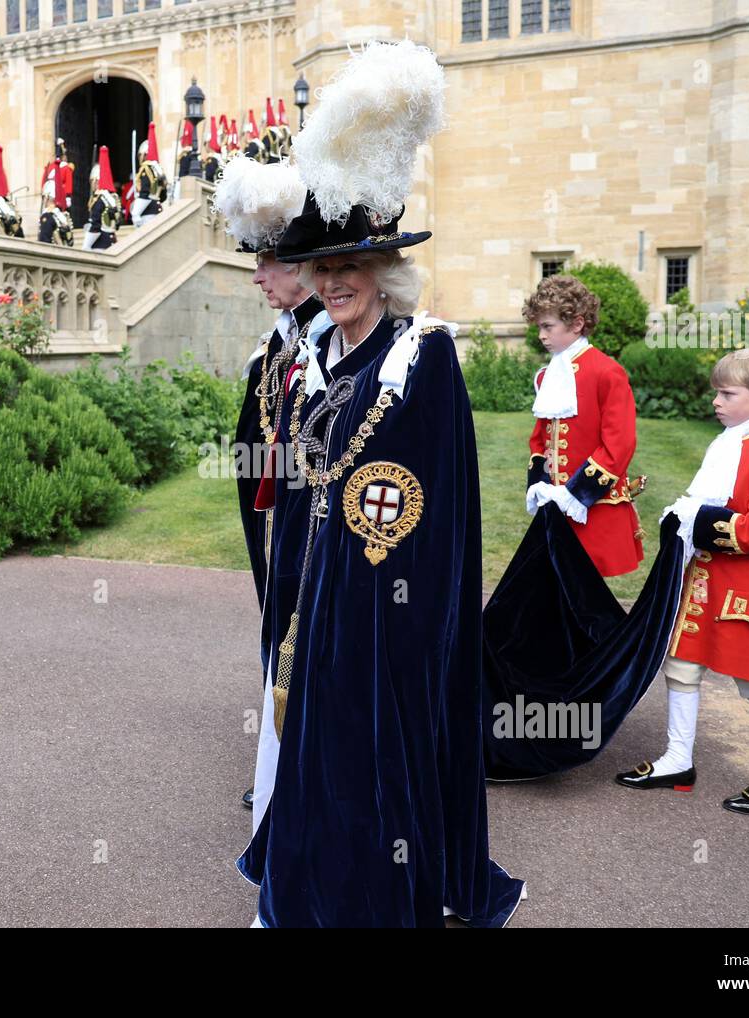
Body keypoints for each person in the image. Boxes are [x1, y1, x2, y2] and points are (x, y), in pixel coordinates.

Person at [239, 40, 524, 927]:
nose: (333, 285)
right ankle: (311, 887)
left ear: (384, 272)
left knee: (375, 752)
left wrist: (388, 601)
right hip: (322, 593)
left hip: (391, 599)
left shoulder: (425, 354)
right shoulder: (318, 350)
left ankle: (378, 897)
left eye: (349, 270)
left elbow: (430, 494)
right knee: (316, 749)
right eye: (323, 271)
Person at [617, 347, 749, 816]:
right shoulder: (727, 442)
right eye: (716, 393)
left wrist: (698, 520)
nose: (716, 402)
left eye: (727, 394)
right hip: (708, 580)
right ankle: (678, 760)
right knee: (681, 666)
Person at [212, 154, 327, 810]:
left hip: (305, 520)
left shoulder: (322, 334)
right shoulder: (283, 336)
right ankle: (284, 759)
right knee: (279, 634)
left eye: (266, 261)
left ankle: (300, 772)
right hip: (274, 520)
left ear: (301, 266)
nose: (255, 275)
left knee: (303, 638)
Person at [521, 275, 645, 577]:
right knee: (554, 587)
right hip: (554, 501)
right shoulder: (546, 375)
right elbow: (541, 437)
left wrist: (576, 494)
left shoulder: (607, 372)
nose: (541, 335)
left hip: (594, 504)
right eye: (539, 327)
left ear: (577, 324)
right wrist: (539, 483)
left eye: (548, 327)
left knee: (590, 594)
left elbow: (619, 444)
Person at [83, 147, 122, 251]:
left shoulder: (99, 199)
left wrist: (86, 245)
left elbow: (96, 226)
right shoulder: (113, 198)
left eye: (93, 181)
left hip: (99, 243)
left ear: (96, 181)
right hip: (112, 240)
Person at [131, 124, 168, 228]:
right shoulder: (158, 169)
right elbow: (163, 195)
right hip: (157, 208)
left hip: (147, 212)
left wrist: (135, 213)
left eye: (141, 155)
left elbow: (145, 192)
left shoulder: (147, 168)